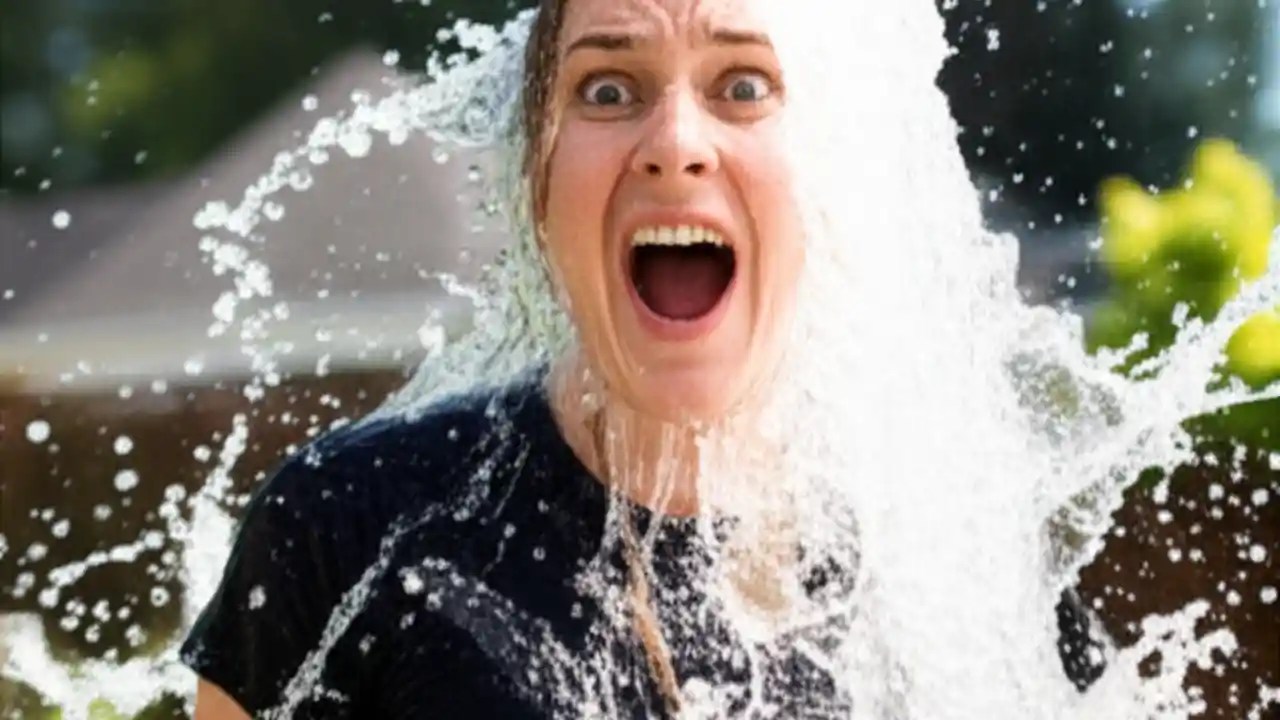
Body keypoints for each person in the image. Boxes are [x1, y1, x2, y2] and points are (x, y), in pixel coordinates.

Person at [184, 0, 1105, 717]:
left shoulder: (956, 568)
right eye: (607, 90)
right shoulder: (351, 531)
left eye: (744, 86)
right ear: (538, 187)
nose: (673, 145)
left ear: (837, 174)